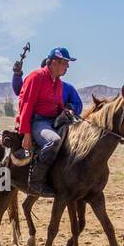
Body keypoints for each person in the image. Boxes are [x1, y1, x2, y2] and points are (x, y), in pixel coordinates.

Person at [17, 47, 75, 196]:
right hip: (38, 121)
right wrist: (26, 133)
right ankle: (36, 181)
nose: (67, 67)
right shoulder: (36, 77)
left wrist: (65, 111)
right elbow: (26, 105)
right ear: (54, 62)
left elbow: (57, 105)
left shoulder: (58, 82)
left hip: (53, 120)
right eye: (65, 63)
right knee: (53, 141)